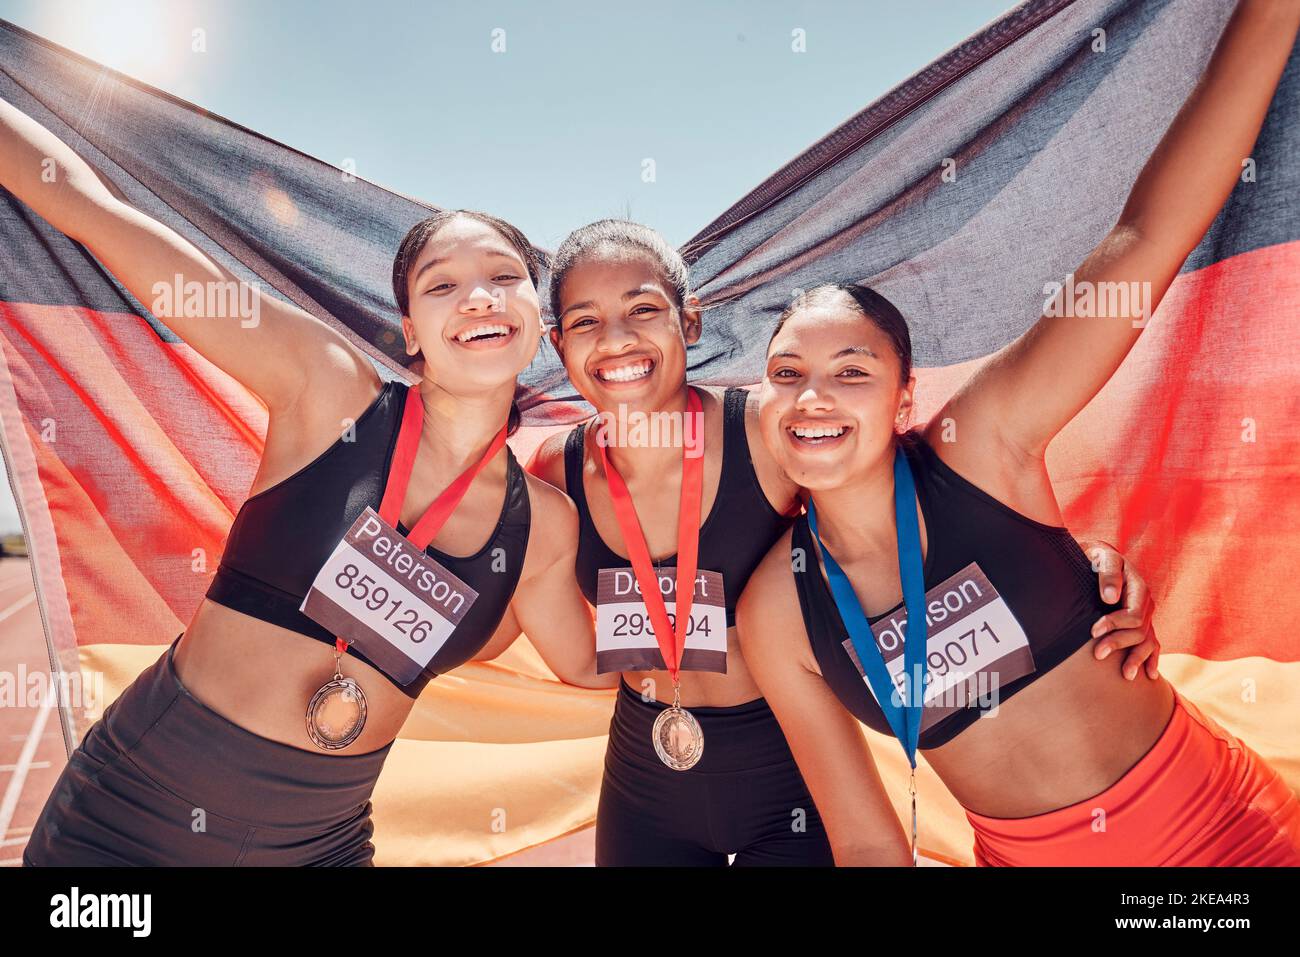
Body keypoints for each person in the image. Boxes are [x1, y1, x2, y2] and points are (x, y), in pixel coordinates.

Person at [736, 0, 1300, 866]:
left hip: (1224, 840)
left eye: (852, 371)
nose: (813, 397)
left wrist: (1272, 14)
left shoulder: (981, 444)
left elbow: (1146, 238)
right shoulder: (777, 611)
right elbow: (863, 840)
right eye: (786, 375)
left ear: (902, 400)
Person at [2, 95, 614, 865]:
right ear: (411, 334)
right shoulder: (328, 392)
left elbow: (595, 664)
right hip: (135, 820)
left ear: (538, 319)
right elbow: (97, 216)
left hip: (319, 846)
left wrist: (745, 631)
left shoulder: (544, 528)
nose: (480, 295)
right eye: (442, 286)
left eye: (504, 275)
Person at [530, 220, 1156, 866]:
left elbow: (908, 493)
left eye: (643, 308)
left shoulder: (771, 433)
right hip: (645, 765)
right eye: (584, 321)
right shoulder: (554, 474)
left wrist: (1076, 563)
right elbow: (509, 587)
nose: (618, 338)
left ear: (688, 322)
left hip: (789, 767)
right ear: (557, 341)